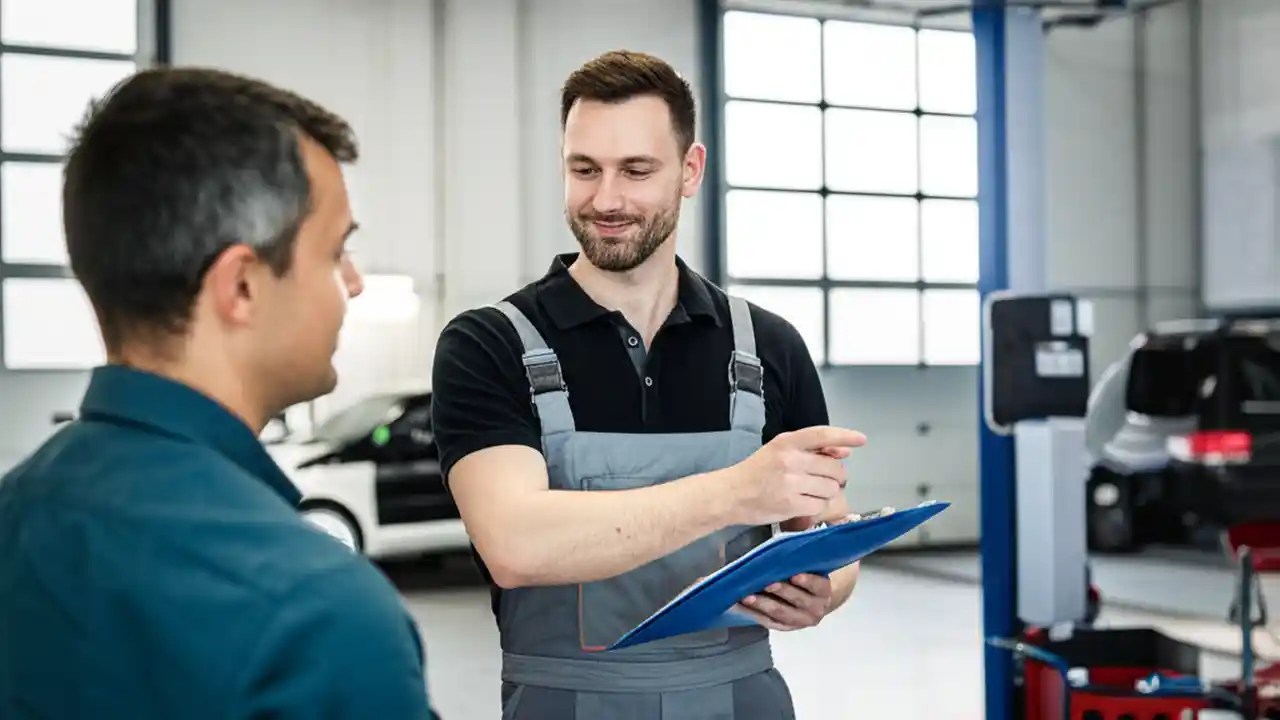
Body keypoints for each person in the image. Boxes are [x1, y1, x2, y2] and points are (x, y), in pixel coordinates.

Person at [431, 49, 867, 718]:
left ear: (690, 171)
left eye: (636, 170)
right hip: (566, 703)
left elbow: (829, 534)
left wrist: (825, 589)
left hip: (741, 698)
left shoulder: (768, 347)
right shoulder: (489, 344)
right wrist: (735, 492)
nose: (607, 199)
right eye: (584, 170)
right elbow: (516, 545)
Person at [0, 68, 436, 719]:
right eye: (335, 253)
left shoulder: (17, 514)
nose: (353, 283)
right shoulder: (318, 615)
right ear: (242, 287)